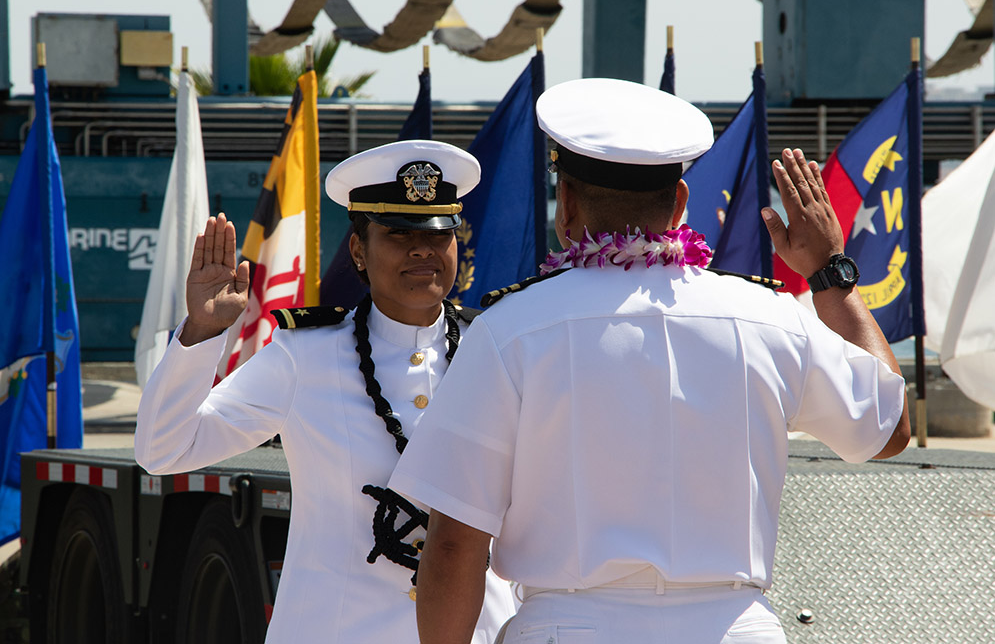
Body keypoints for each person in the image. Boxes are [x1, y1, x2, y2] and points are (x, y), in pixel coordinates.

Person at [387, 79, 911, 644]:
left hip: (570, 630)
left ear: (565, 208)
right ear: (681, 203)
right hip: (735, 631)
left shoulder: (509, 331)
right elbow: (887, 430)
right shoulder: (770, 317)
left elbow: (453, 542)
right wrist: (830, 272)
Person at [135, 139, 516, 644]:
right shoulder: (306, 356)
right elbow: (165, 448)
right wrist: (203, 334)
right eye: (400, 235)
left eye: (438, 233)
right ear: (359, 250)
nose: (422, 249)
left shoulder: (500, 348)